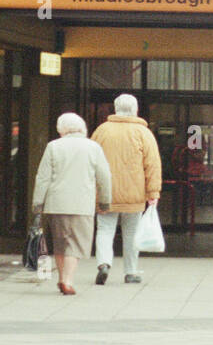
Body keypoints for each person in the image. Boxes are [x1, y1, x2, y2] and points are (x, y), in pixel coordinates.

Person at [32, 112, 112, 294]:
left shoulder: (53, 147)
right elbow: (104, 176)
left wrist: (38, 203)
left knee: (60, 243)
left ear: (62, 128)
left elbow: (43, 177)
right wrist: (105, 201)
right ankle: (67, 281)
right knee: (75, 245)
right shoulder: (93, 147)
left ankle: (62, 279)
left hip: (56, 204)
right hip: (82, 204)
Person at [91, 94, 162, 284]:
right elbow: (152, 165)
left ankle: (104, 264)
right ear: (135, 109)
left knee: (105, 230)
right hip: (134, 194)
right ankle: (130, 272)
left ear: (115, 108)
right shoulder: (143, 133)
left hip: (106, 192)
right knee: (132, 234)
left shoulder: (102, 131)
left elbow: (92, 161)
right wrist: (153, 193)